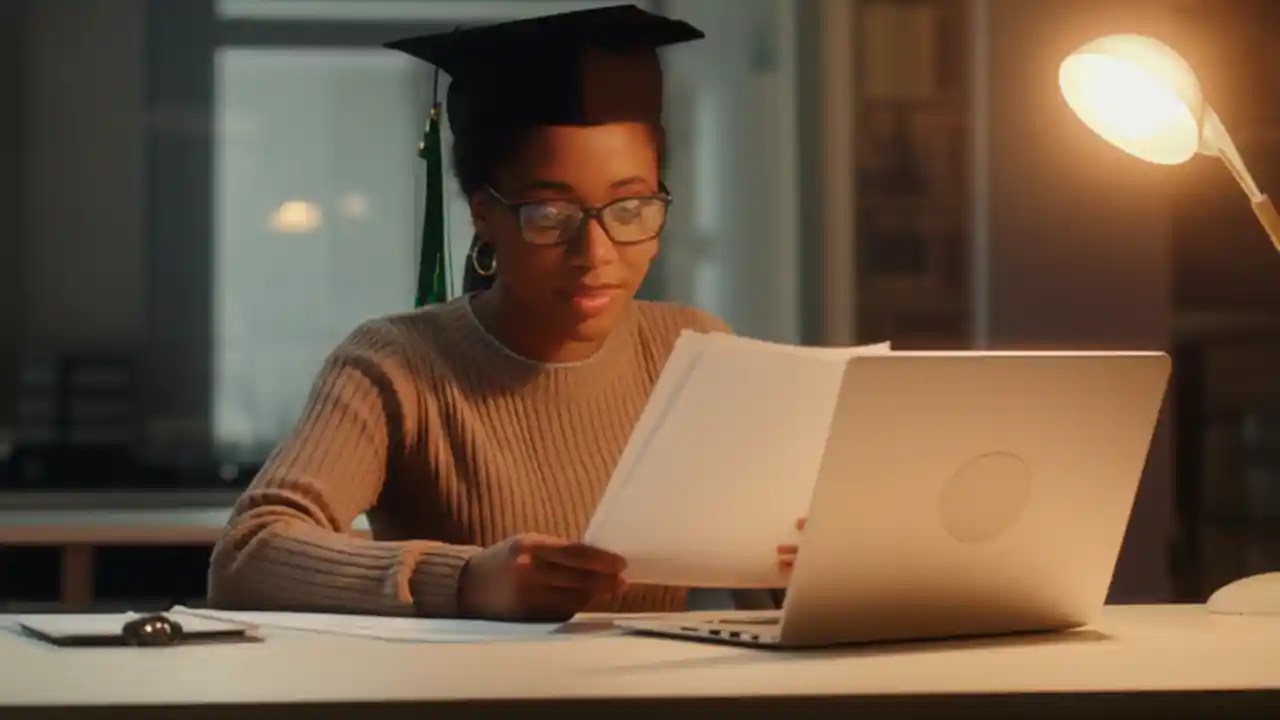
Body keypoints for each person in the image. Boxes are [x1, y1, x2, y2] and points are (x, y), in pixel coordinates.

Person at [207, 5, 796, 622]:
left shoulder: (694, 349)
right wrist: (465, 580)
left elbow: (761, 579)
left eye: (629, 209)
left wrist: (807, 565)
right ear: (483, 211)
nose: (595, 255)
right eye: (550, 216)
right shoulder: (395, 366)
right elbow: (247, 556)